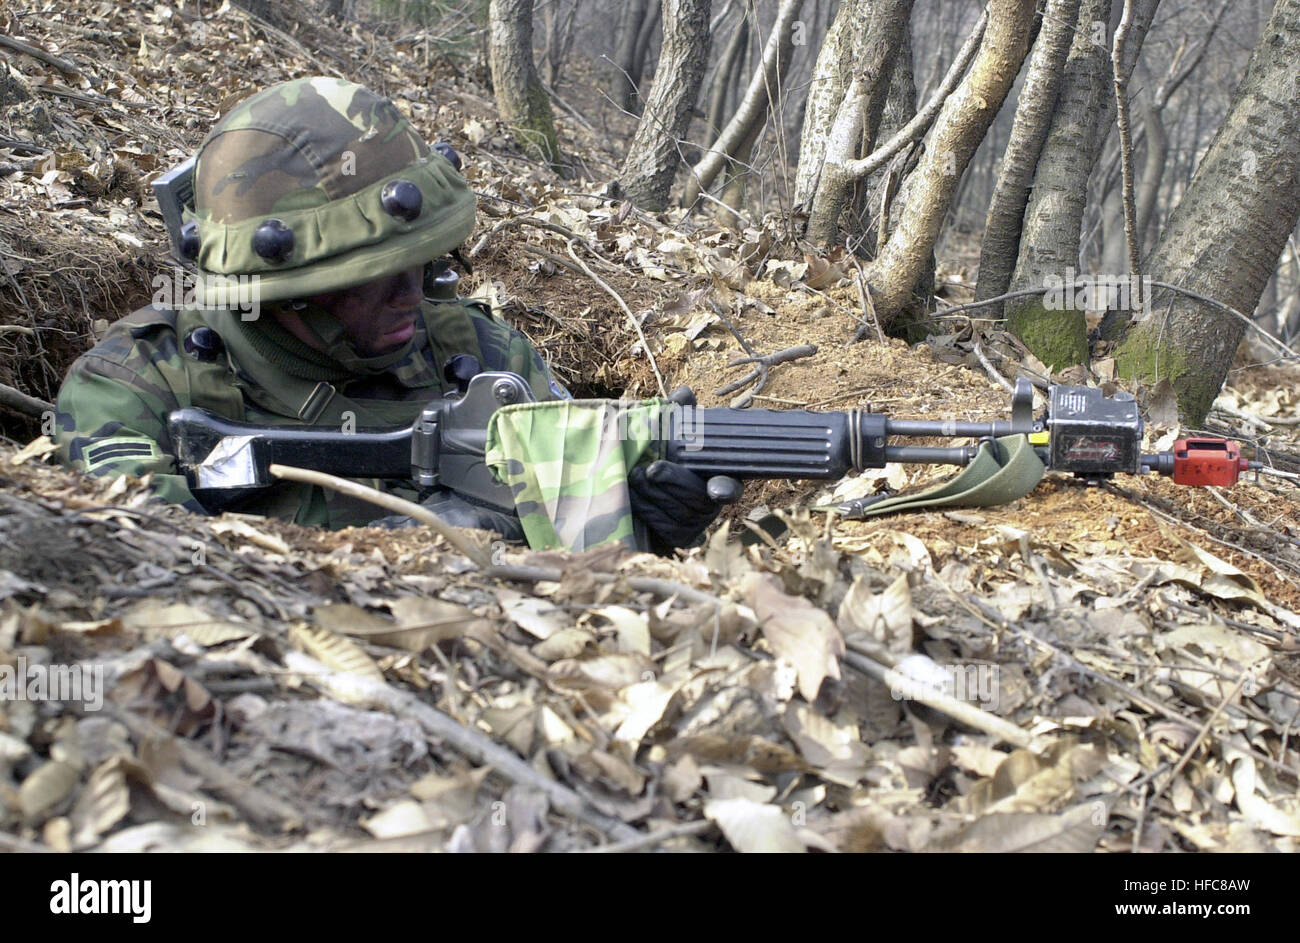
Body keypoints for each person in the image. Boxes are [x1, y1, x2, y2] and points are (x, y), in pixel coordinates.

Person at [53, 77, 732, 552]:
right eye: (372, 277)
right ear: (278, 289)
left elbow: (590, 593)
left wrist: (643, 520)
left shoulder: (489, 363)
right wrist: (443, 535)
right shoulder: (137, 384)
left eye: (425, 258)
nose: (412, 291)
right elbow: (162, 572)